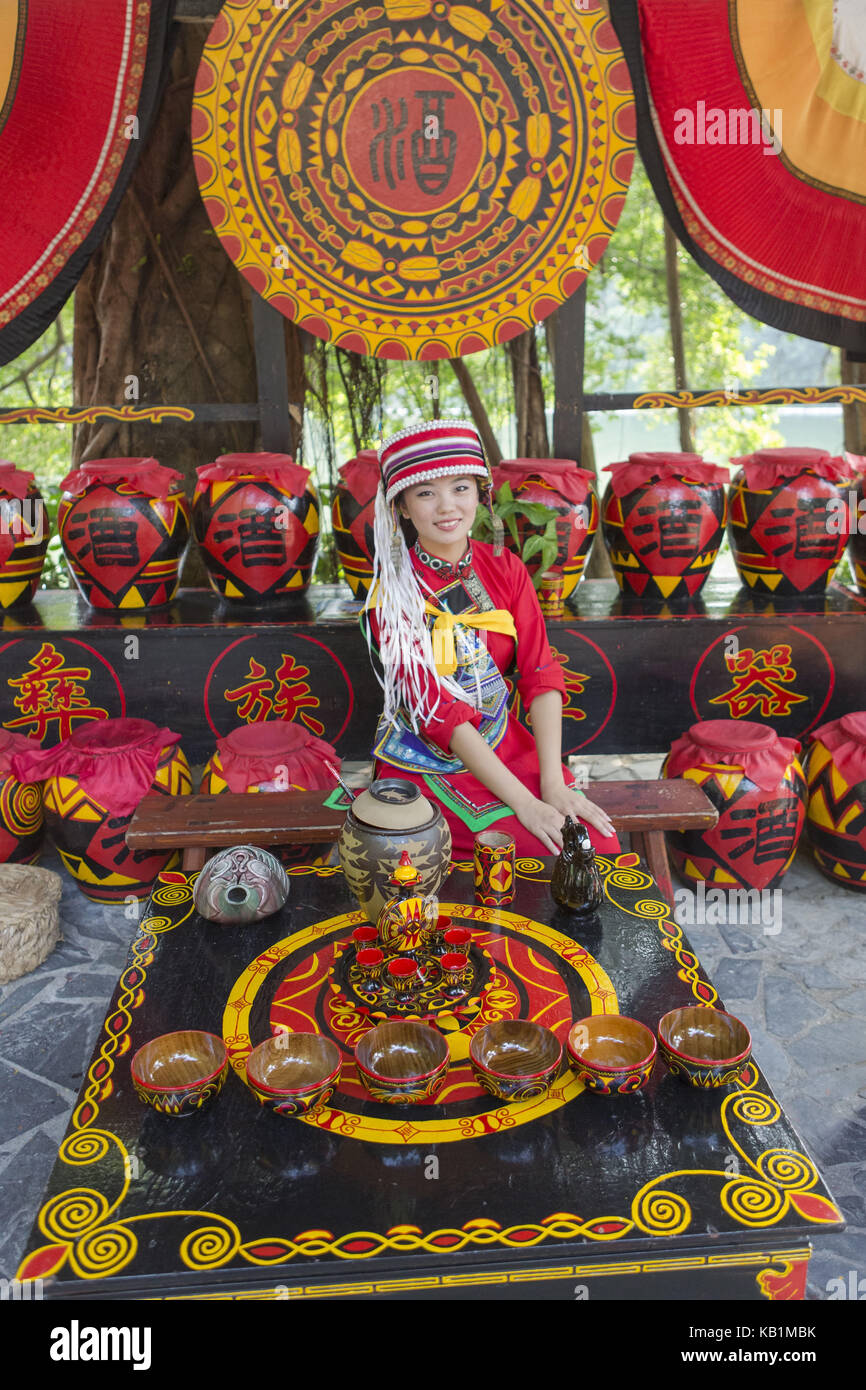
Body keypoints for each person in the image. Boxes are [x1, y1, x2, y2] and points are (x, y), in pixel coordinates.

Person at [362, 419, 619, 859]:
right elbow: (440, 717)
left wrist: (552, 783)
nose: (447, 507)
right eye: (426, 493)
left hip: (504, 740)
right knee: (533, 847)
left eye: (460, 488)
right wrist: (526, 804)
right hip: (429, 758)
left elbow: (540, 673)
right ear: (402, 507)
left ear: (480, 494)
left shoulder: (506, 569)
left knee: (593, 841)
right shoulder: (394, 593)